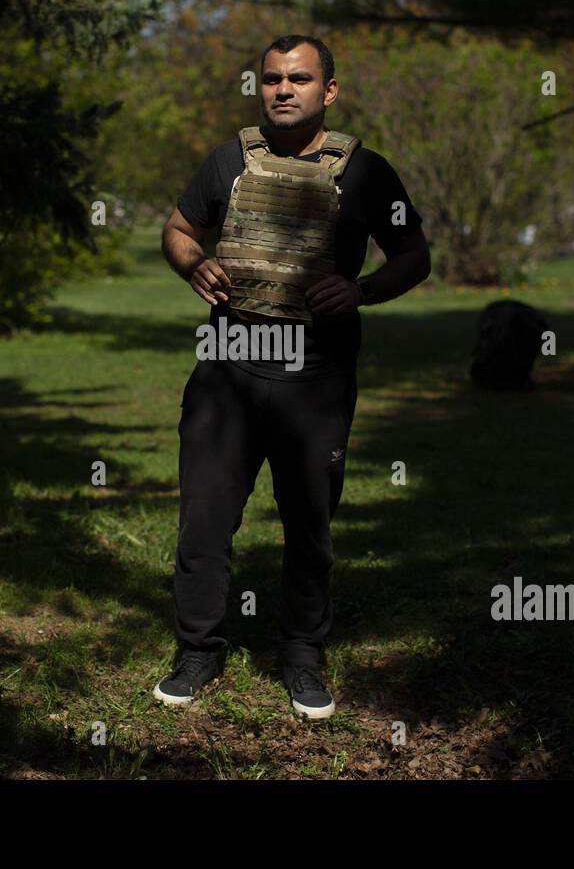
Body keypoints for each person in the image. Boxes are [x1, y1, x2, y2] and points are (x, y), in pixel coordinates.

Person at [154, 35, 431, 719]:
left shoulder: (366, 172)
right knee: (204, 521)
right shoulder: (228, 160)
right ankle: (197, 653)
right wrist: (193, 265)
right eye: (273, 78)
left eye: (299, 79)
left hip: (316, 379)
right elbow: (180, 228)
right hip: (227, 376)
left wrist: (361, 291)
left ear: (327, 91)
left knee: (309, 525)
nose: (283, 89)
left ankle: (303, 657)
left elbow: (414, 254)